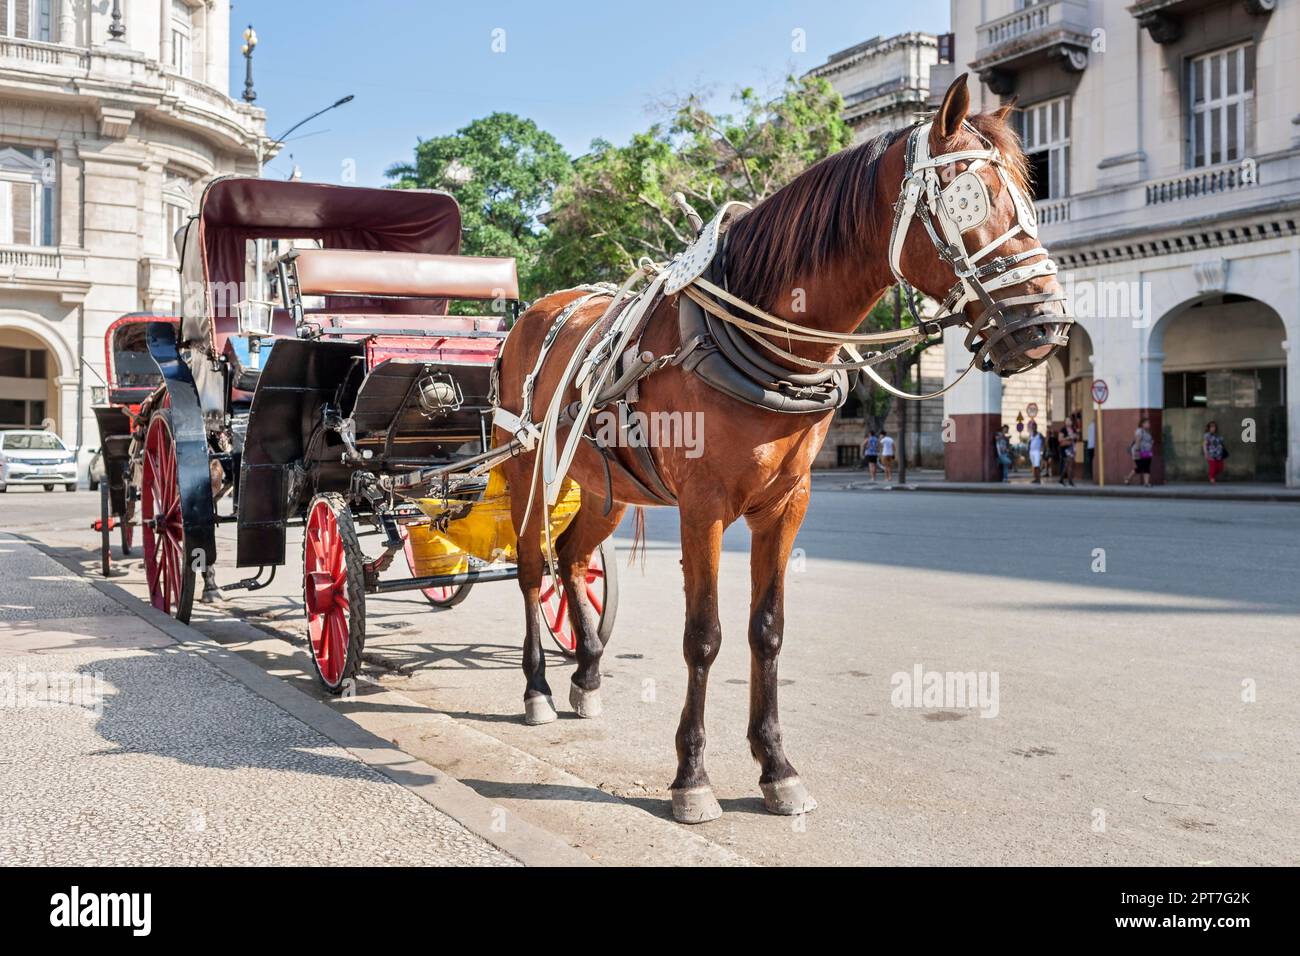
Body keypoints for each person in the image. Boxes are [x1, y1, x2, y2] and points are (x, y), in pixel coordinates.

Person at [1124, 417, 1155, 487]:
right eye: (1147, 423)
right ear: (1142, 424)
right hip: (1139, 451)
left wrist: (1151, 443)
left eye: (1149, 423)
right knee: (1140, 467)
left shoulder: (1149, 431)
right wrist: (1137, 451)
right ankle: (1128, 478)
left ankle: (1146, 483)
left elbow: (1150, 440)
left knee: (1147, 466)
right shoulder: (1139, 431)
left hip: (1147, 451)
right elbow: (1137, 440)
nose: (1149, 424)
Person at [1058, 419, 1077, 486]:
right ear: (1065, 422)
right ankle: (1069, 480)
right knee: (1067, 464)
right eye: (1067, 421)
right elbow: (1060, 439)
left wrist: (1075, 436)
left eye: (1070, 420)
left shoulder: (1073, 429)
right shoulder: (1063, 429)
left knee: (1070, 464)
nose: (1069, 422)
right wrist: (1068, 437)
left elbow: (1076, 436)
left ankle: (1062, 479)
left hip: (1072, 448)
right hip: (1065, 449)